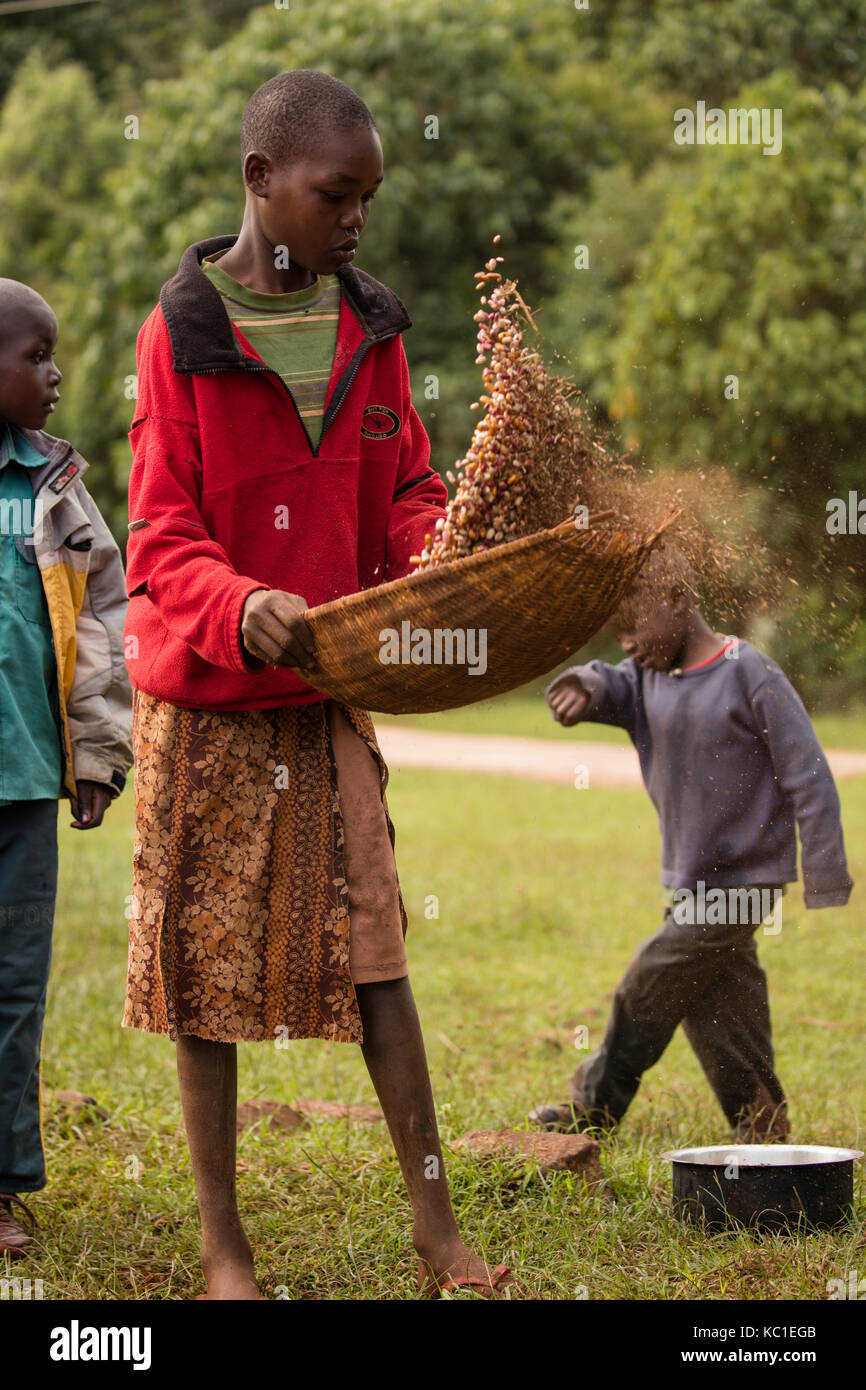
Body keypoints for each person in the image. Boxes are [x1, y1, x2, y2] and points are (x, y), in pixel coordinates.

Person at [122, 69, 516, 1300]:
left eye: (367, 198)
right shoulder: (178, 331)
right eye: (334, 194)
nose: (355, 220)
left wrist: (435, 560)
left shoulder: (372, 327)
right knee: (204, 976)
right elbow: (160, 534)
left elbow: (405, 490)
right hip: (209, 697)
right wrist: (242, 605)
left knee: (379, 954)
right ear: (260, 181)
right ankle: (223, 1249)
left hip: (326, 691)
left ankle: (437, 1234)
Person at [529, 551, 853, 1142]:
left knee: (649, 980)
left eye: (633, 627)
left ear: (678, 601)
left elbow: (809, 774)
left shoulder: (749, 674)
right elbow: (611, 681)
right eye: (616, 635)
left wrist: (826, 873)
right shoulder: (648, 675)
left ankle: (593, 1106)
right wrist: (581, 683)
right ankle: (762, 1124)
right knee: (718, 1004)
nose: (627, 643)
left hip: (745, 882)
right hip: (688, 882)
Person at [0, 279, 132, 1257]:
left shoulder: (55, 491)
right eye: (36, 356)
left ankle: (2, 1187)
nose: (55, 376)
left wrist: (96, 748)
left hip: (23, 787)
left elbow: (98, 625)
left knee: (13, 990)